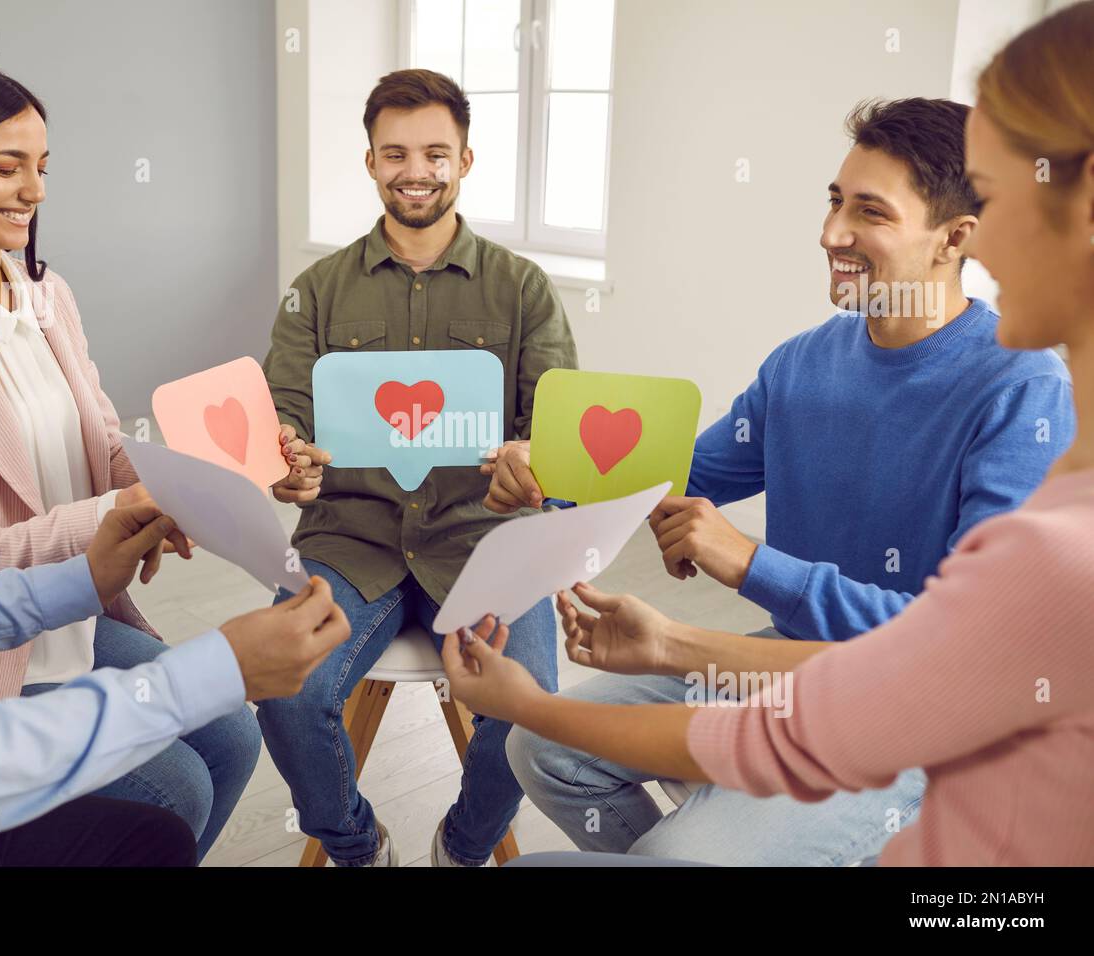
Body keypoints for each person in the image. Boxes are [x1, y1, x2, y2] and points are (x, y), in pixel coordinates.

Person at [443, 0, 1094, 867]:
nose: (830, 234)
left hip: (915, 726)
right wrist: (546, 469)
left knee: (676, 852)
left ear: (955, 238)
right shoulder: (805, 362)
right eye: (833, 203)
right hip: (784, 661)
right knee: (541, 751)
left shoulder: (1022, 391)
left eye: (869, 212)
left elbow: (939, 649)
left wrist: (750, 563)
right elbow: (676, 467)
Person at [0, 39, 350, 868]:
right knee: (177, 790)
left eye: (43, 165)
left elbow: (106, 450)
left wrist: (234, 473)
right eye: (7, 166)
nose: (36, 190)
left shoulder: (48, 296)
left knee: (232, 736)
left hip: (75, 612)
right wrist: (106, 519)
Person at [260, 68, 578, 866]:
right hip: (348, 534)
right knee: (283, 683)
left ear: (466, 160)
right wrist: (288, 459)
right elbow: (281, 416)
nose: (416, 170)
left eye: (436, 152)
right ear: (370, 161)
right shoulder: (316, 291)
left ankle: (465, 846)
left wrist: (533, 461)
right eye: (395, 152)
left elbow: (558, 436)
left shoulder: (524, 289)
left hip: (487, 538)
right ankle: (356, 845)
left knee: (529, 700)